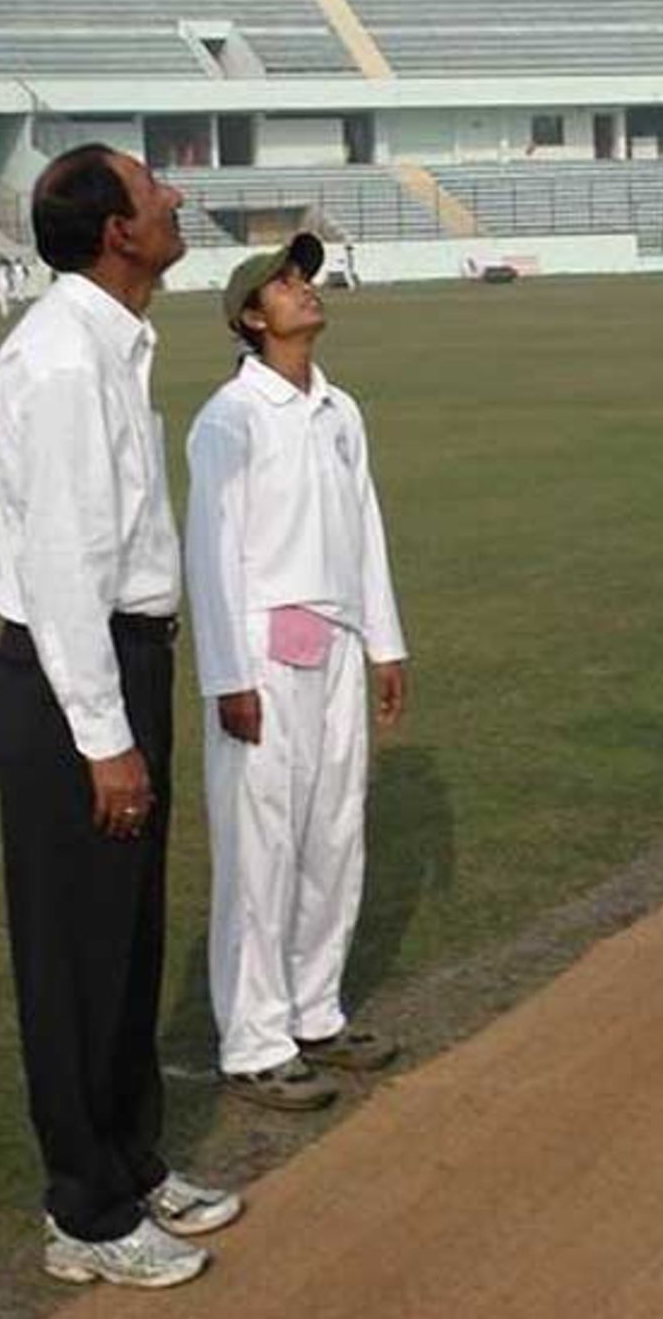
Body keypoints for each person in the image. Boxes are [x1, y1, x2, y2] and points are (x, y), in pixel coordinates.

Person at [0, 145, 241, 1287]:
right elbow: (57, 566)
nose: (175, 196)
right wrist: (105, 736)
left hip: (120, 664)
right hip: (68, 677)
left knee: (130, 935)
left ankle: (130, 1160)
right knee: (77, 953)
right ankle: (84, 1212)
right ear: (114, 231)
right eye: (152, 189)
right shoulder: (57, 361)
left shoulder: (108, 345)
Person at [185, 232, 407, 1112]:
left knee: (334, 830)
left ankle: (317, 1010)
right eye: (282, 283)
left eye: (302, 277)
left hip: (338, 640)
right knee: (260, 843)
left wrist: (385, 641)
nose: (301, 290)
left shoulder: (338, 409)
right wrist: (227, 674)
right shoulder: (228, 418)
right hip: (261, 653)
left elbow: (365, 528)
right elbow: (210, 548)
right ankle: (253, 1038)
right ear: (250, 316)